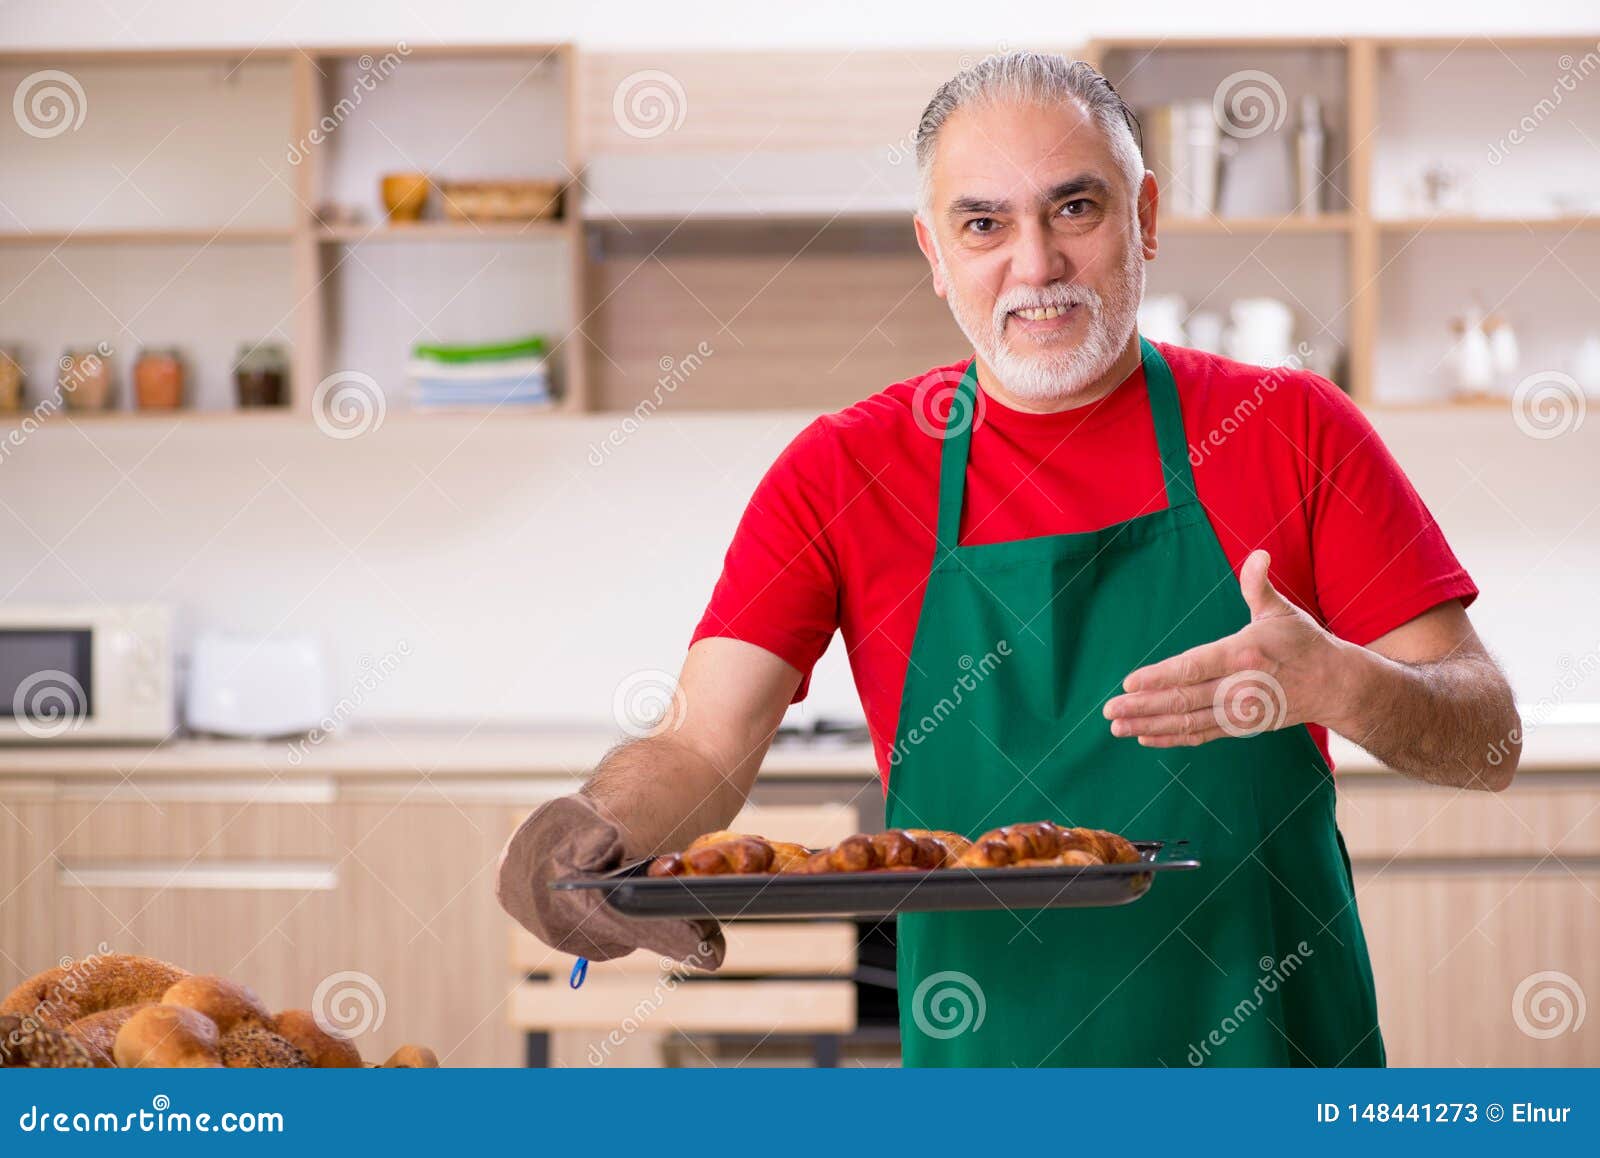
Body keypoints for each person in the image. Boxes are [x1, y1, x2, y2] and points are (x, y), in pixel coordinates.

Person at [498, 51, 1520, 1067]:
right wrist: (590, 835)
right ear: (934, 251)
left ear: (1144, 217)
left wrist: (1345, 684)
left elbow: (1490, 739)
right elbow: (702, 745)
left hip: (1279, 1071)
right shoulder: (842, 471)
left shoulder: (1290, 428)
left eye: (1074, 209)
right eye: (983, 224)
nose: (1035, 266)